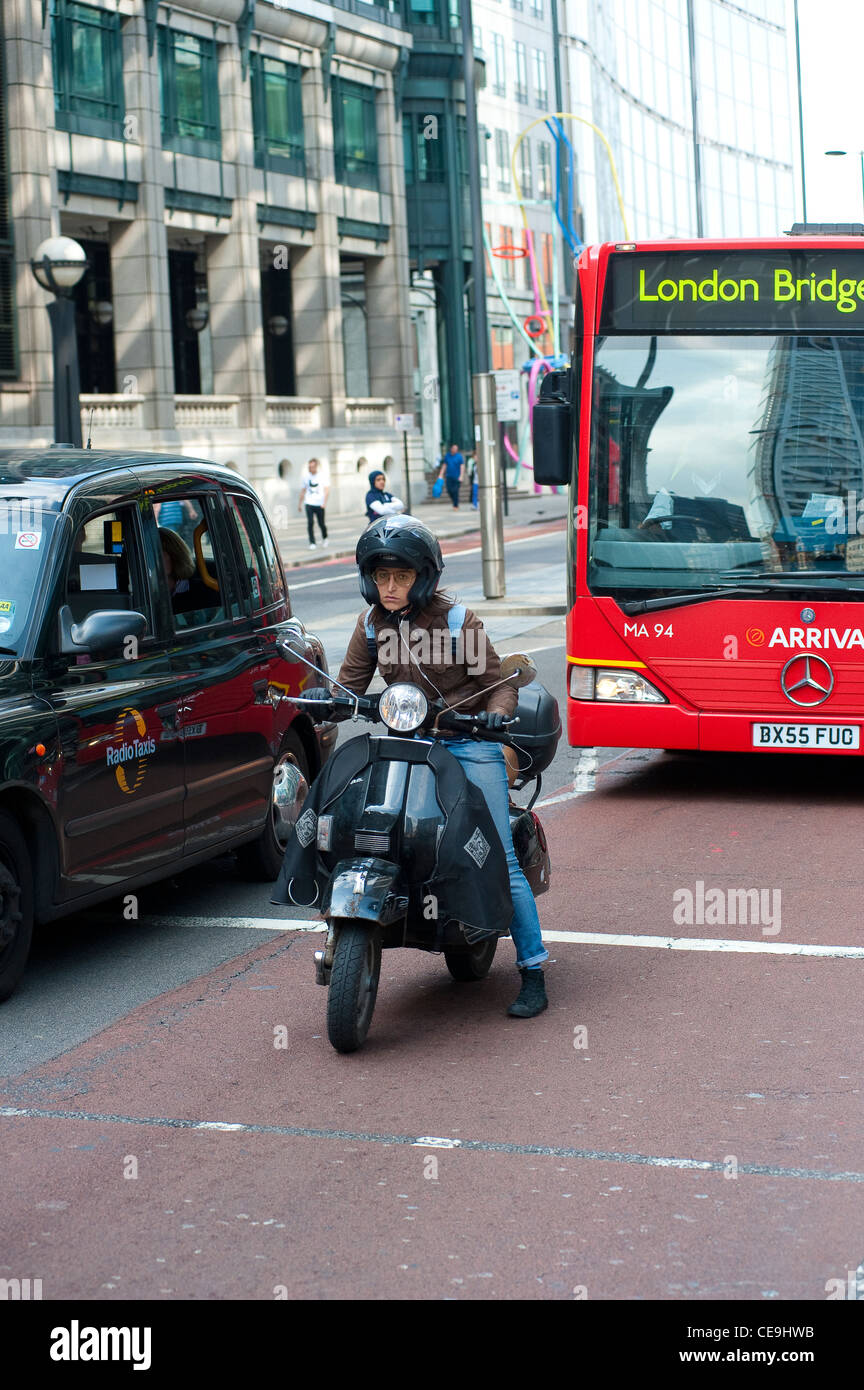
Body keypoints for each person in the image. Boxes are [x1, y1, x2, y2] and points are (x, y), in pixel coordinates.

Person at [332, 514, 549, 1018]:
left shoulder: (457, 621)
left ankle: (534, 970)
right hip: (405, 741)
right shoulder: (370, 625)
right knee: (364, 823)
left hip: (467, 743)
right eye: (381, 576)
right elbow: (350, 686)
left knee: (499, 855)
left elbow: (500, 684)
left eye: (401, 577)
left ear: (422, 576)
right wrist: (328, 698)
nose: (389, 587)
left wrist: (495, 718)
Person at [298, 457, 329, 550]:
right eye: (309, 467)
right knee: (310, 522)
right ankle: (312, 542)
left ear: (316, 467)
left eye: (312, 466)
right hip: (309, 503)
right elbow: (303, 490)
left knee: (321, 523)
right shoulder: (306, 477)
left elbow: (327, 490)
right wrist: (299, 504)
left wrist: (324, 503)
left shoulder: (322, 476)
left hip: (319, 504)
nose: (310, 468)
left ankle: (325, 538)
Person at [438, 443, 465, 509]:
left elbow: (462, 466)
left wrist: (461, 476)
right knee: (449, 490)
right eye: (454, 448)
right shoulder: (447, 456)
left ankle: (455, 505)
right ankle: (454, 501)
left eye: (456, 449)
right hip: (449, 476)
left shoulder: (459, 456)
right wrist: (440, 474)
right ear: (451, 449)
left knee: (455, 491)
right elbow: (444, 465)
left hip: (457, 477)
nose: (455, 450)